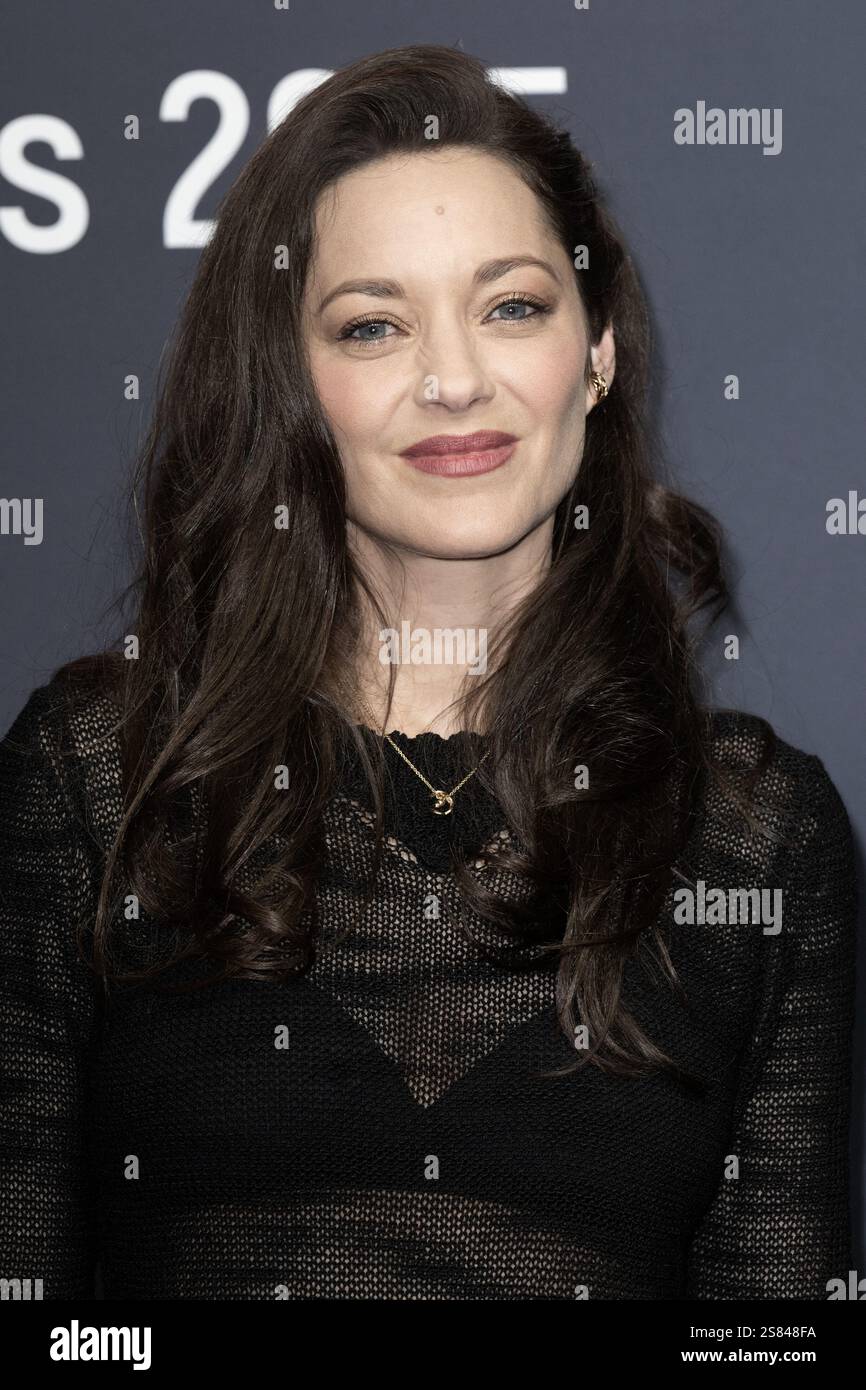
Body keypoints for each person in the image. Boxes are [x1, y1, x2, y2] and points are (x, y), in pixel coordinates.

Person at [0, 42, 857, 1301]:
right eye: (373, 324)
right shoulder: (101, 776)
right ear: (290, 379)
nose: (452, 378)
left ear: (598, 348)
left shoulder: (751, 836)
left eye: (512, 305)